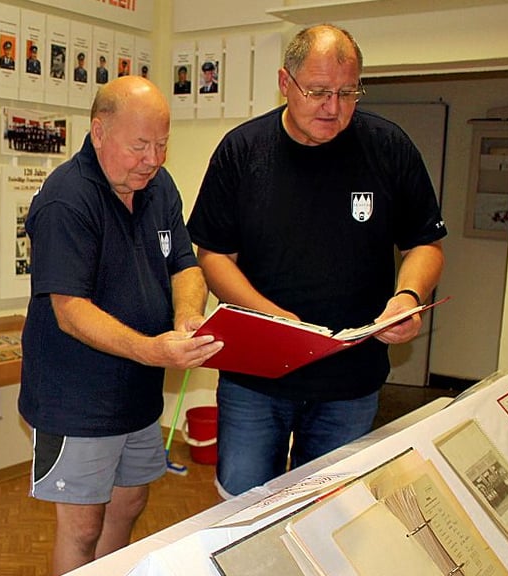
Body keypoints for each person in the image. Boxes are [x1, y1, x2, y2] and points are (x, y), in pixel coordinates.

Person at [186, 24, 447, 498]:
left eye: (349, 93)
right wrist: (273, 317)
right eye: (319, 92)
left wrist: (407, 297)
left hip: (350, 382)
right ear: (285, 84)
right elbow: (214, 256)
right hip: (256, 377)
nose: (335, 108)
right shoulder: (243, 151)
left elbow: (424, 243)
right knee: (241, 508)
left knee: (325, 511)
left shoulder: (388, 148)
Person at [19, 76, 223, 575]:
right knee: (82, 526)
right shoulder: (67, 199)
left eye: (161, 144)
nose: (152, 159)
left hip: (136, 393)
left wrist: (186, 318)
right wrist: (155, 351)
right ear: (98, 132)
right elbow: (70, 311)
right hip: (76, 399)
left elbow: (185, 265)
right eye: (139, 145)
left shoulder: (158, 187)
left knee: (129, 505)